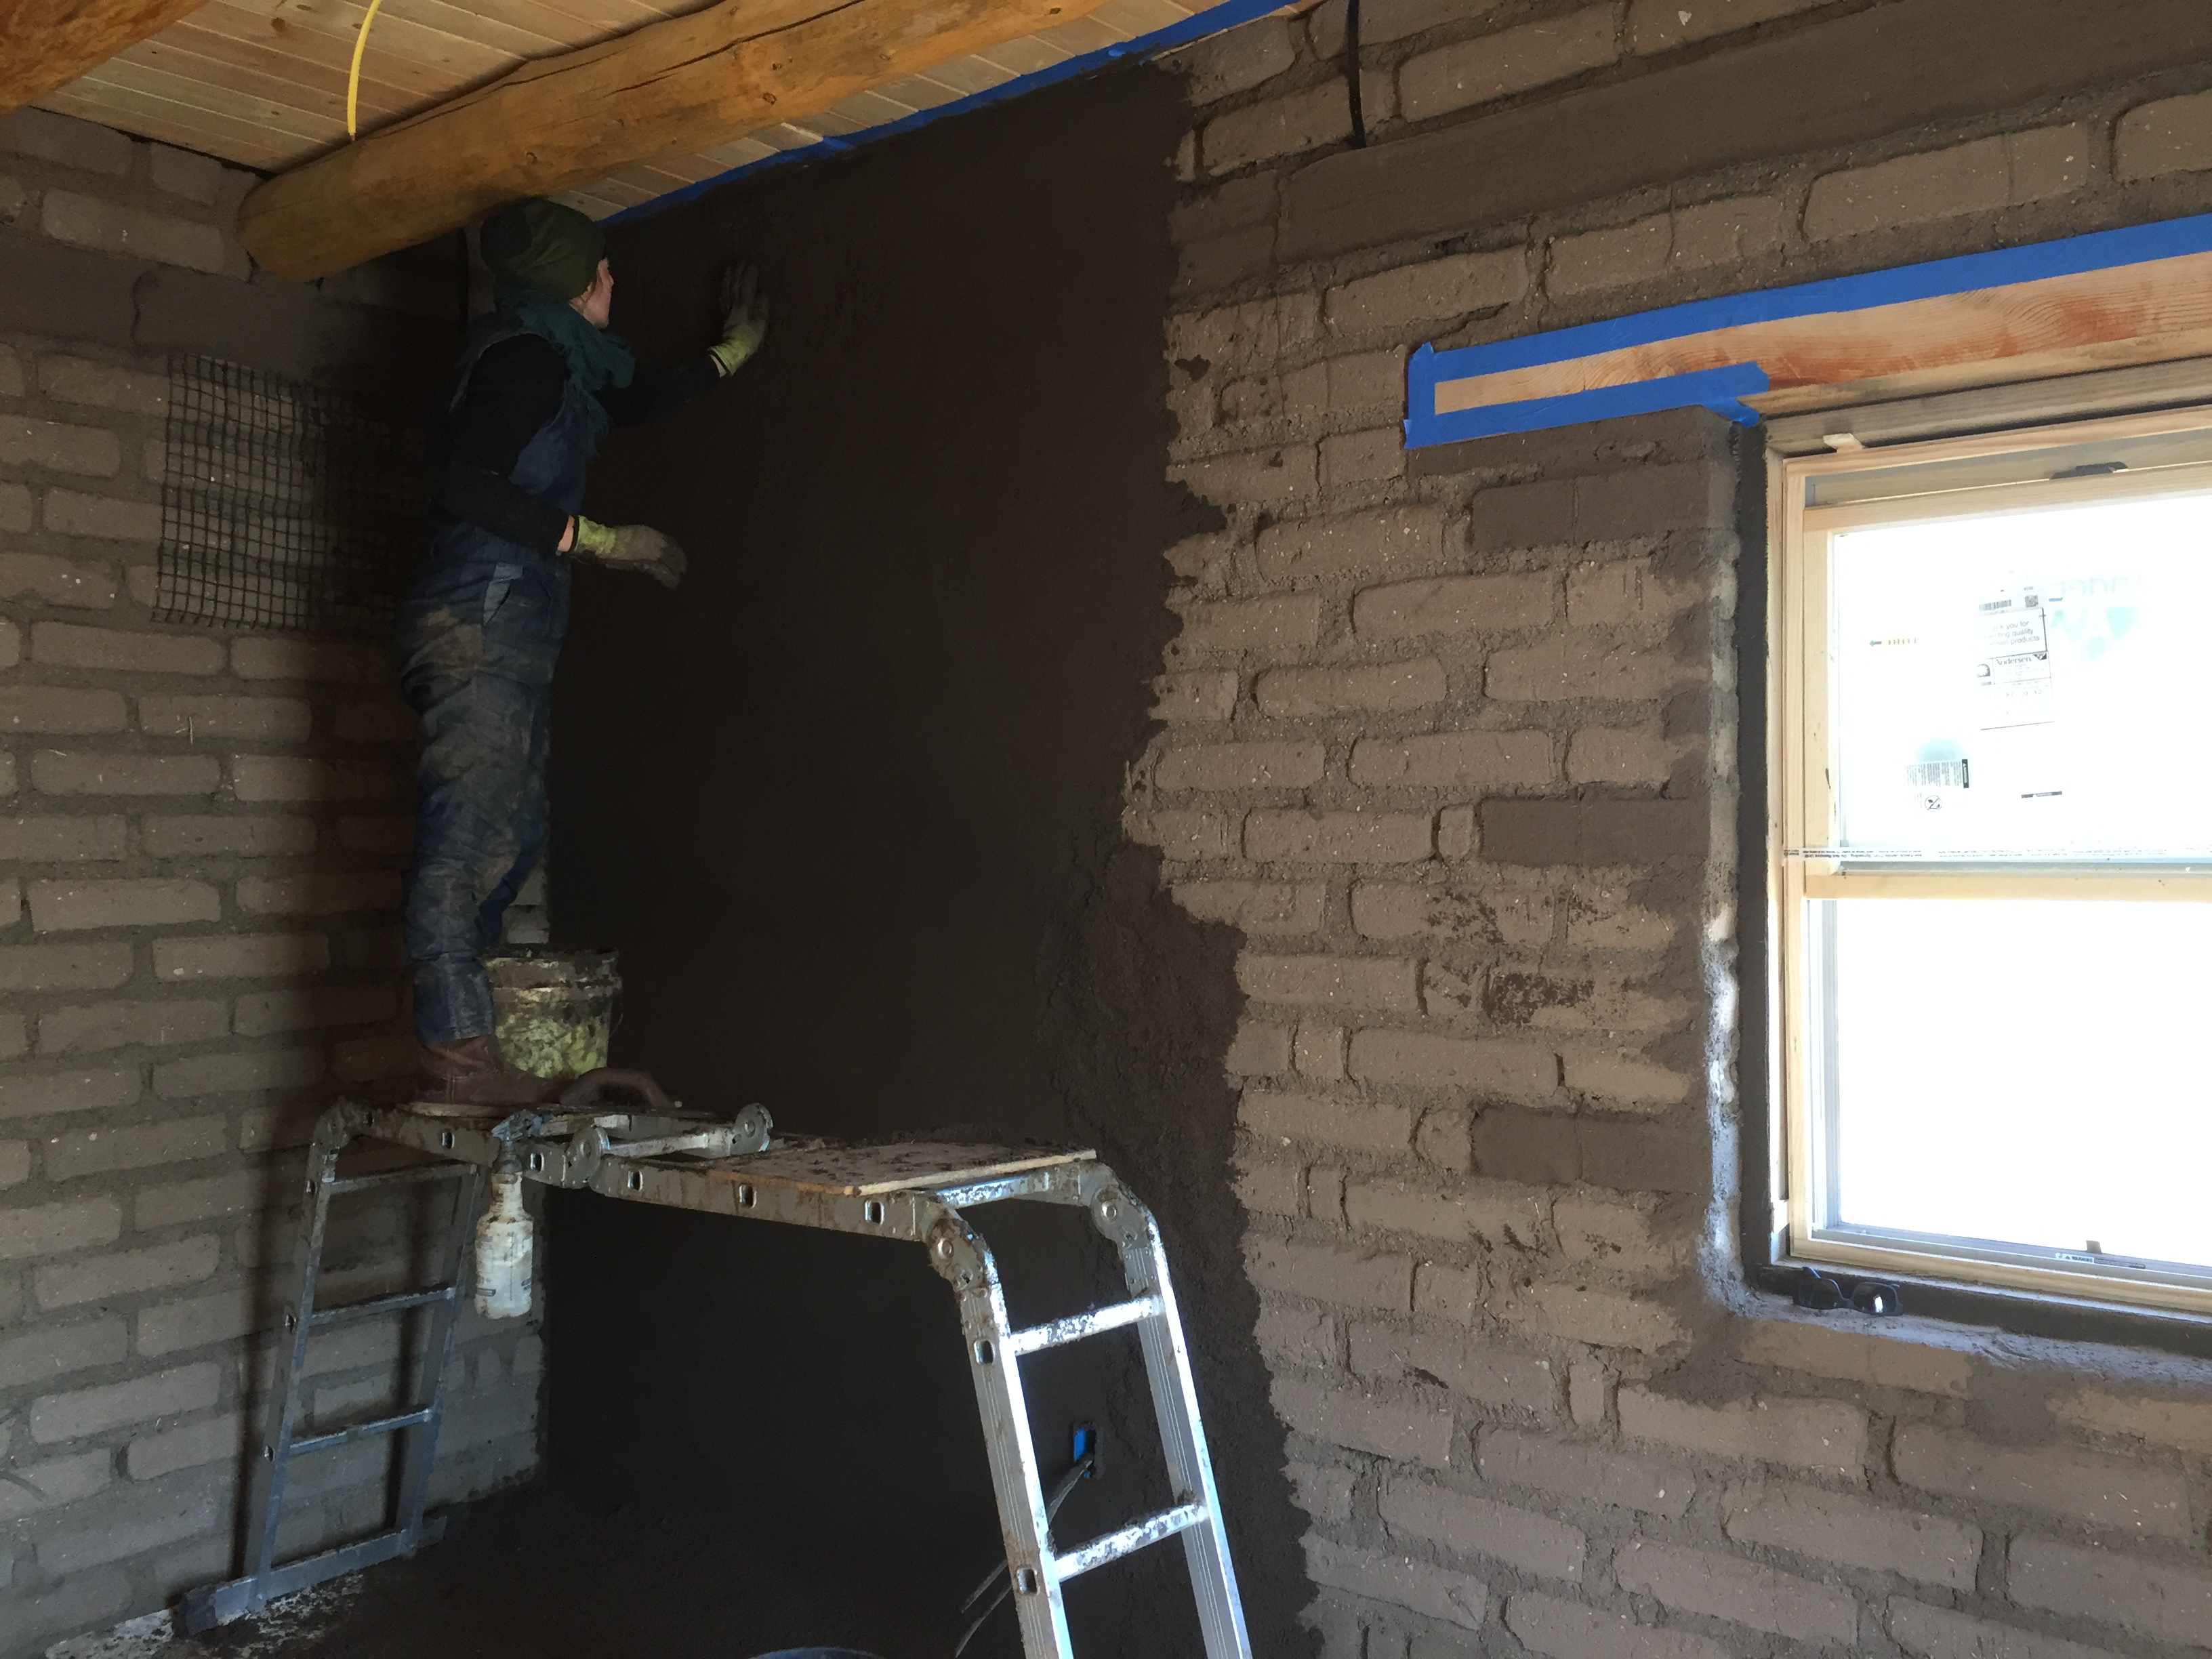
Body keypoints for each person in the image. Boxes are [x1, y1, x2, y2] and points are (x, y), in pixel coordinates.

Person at [396, 197, 769, 1104]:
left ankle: (469, 1036)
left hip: (508, 625)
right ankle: (458, 1055)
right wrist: (596, 540)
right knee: (464, 839)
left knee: (512, 832)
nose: (613, 280)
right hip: (477, 622)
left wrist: (730, 356)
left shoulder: (560, 357)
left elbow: (631, 396)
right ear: (565, 287)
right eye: (598, 271)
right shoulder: (521, 362)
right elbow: (463, 485)